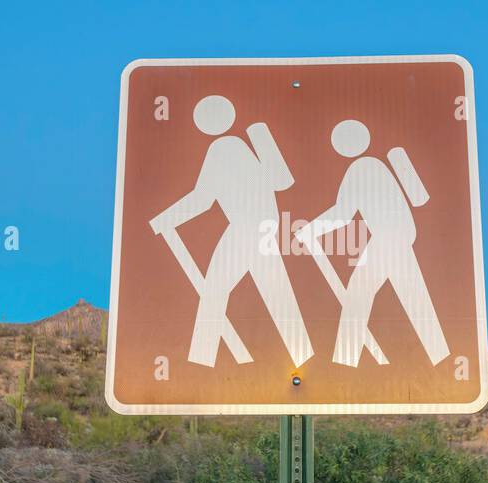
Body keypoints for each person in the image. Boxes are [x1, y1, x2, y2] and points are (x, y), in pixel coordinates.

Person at [149, 95, 313, 369]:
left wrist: (164, 220)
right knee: (277, 294)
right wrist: (166, 220)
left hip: (244, 229)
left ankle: (202, 361)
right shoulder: (241, 147)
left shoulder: (222, 148)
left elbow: (203, 198)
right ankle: (303, 354)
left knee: (215, 289)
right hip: (263, 229)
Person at [296, 119, 449, 368]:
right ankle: (439, 355)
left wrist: (311, 229)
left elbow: (343, 213)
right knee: (415, 298)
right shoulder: (376, 165)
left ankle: (345, 361)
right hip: (400, 236)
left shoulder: (361, 168)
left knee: (358, 294)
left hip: (387, 238)